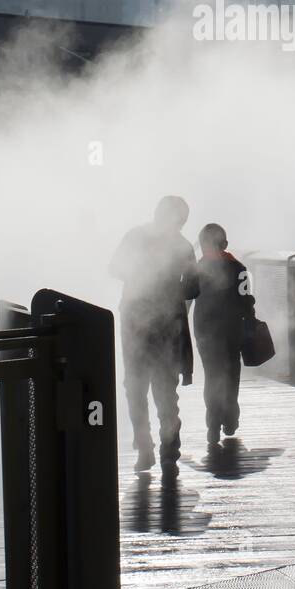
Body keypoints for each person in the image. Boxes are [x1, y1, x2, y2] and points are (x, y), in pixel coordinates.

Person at [110, 196, 200, 475]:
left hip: (135, 319)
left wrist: (139, 278)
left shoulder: (135, 236)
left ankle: (145, 445)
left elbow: (114, 268)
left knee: (135, 386)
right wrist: (172, 293)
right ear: (182, 220)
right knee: (165, 386)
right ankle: (169, 447)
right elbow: (193, 288)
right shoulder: (184, 246)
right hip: (168, 323)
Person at [193, 224, 255, 445]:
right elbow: (247, 300)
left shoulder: (197, 268)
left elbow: (188, 299)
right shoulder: (239, 268)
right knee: (231, 373)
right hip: (232, 330)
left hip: (204, 329)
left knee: (212, 375)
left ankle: (213, 423)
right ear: (225, 244)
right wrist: (251, 321)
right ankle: (230, 417)